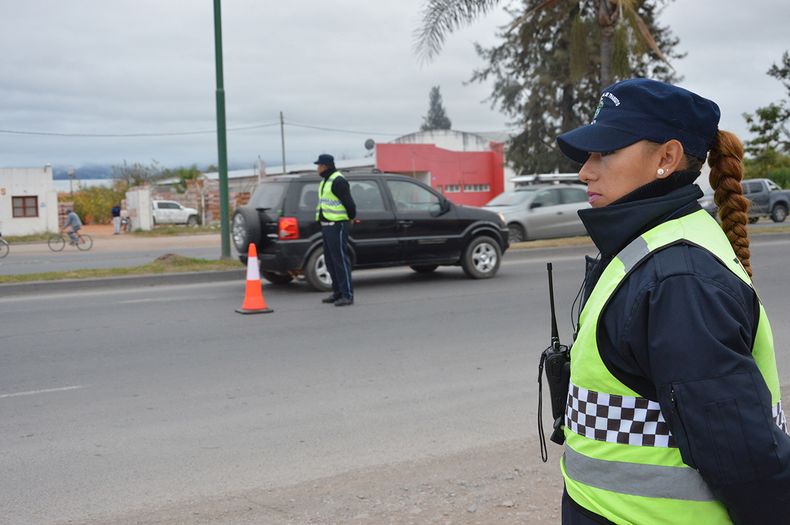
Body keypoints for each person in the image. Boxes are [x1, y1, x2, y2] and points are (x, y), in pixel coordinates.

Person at [553, 78, 789, 524]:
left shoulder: (676, 279)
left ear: (667, 158)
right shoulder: (649, 248)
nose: (586, 170)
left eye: (605, 152)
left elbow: (745, 460)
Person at [314, 153, 356, 306]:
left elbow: (349, 204)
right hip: (327, 226)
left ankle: (347, 295)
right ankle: (337, 292)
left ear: (326, 166)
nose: (317, 168)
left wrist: (350, 218)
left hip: (337, 225)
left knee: (340, 261)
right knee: (330, 261)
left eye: (319, 165)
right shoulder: (325, 181)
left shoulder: (338, 181)